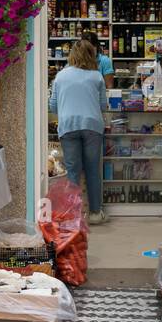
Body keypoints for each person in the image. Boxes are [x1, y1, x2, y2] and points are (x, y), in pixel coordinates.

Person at [50, 39, 108, 224]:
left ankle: (74, 215)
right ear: (92, 55)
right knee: (92, 171)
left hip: (68, 126)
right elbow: (103, 105)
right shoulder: (97, 76)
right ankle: (95, 214)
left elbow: (52, 106)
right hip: (92, 126)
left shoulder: (60, 76)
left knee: (73, 172)